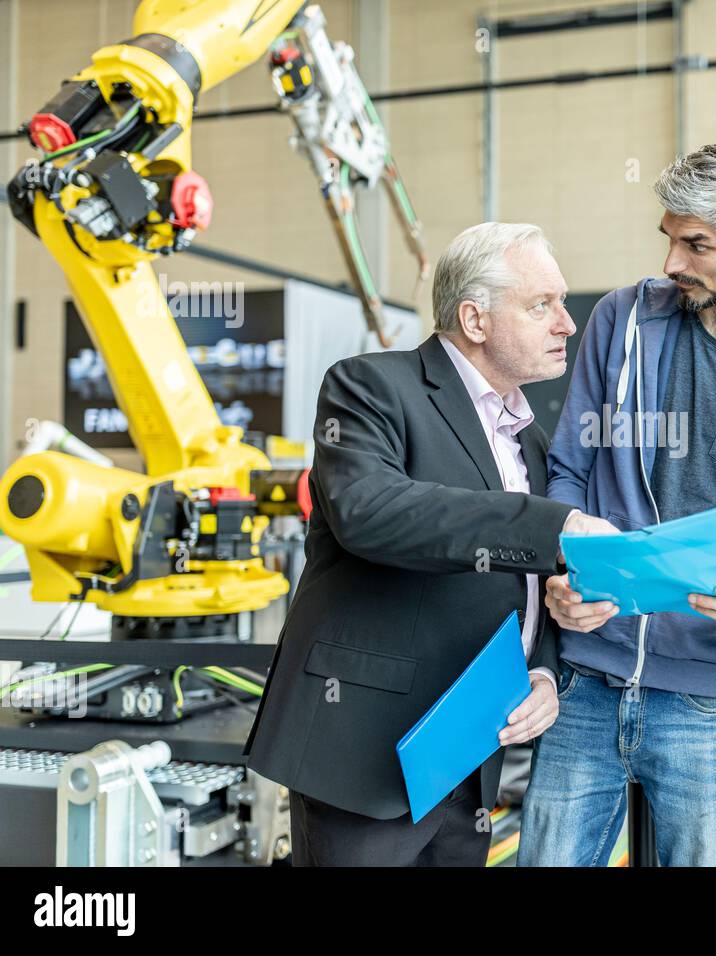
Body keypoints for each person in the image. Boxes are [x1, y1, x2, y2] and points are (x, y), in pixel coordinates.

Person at [243, 222, 616, 866]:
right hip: (365, 754)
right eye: (541, 305)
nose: (566, 324)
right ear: (474, 318)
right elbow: (372, 512)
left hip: (467, 754)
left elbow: (526, 584)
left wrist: (544, 668)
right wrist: (551, 526)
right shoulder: (369, 387)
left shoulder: (527, 440)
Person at [517, 143, 716, 867]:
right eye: (669, 236)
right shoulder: (622, 321)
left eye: (697, 244)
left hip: (710, 703)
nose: (672, 261)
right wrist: (568, 569)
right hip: (587, 681)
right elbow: (569, 469)